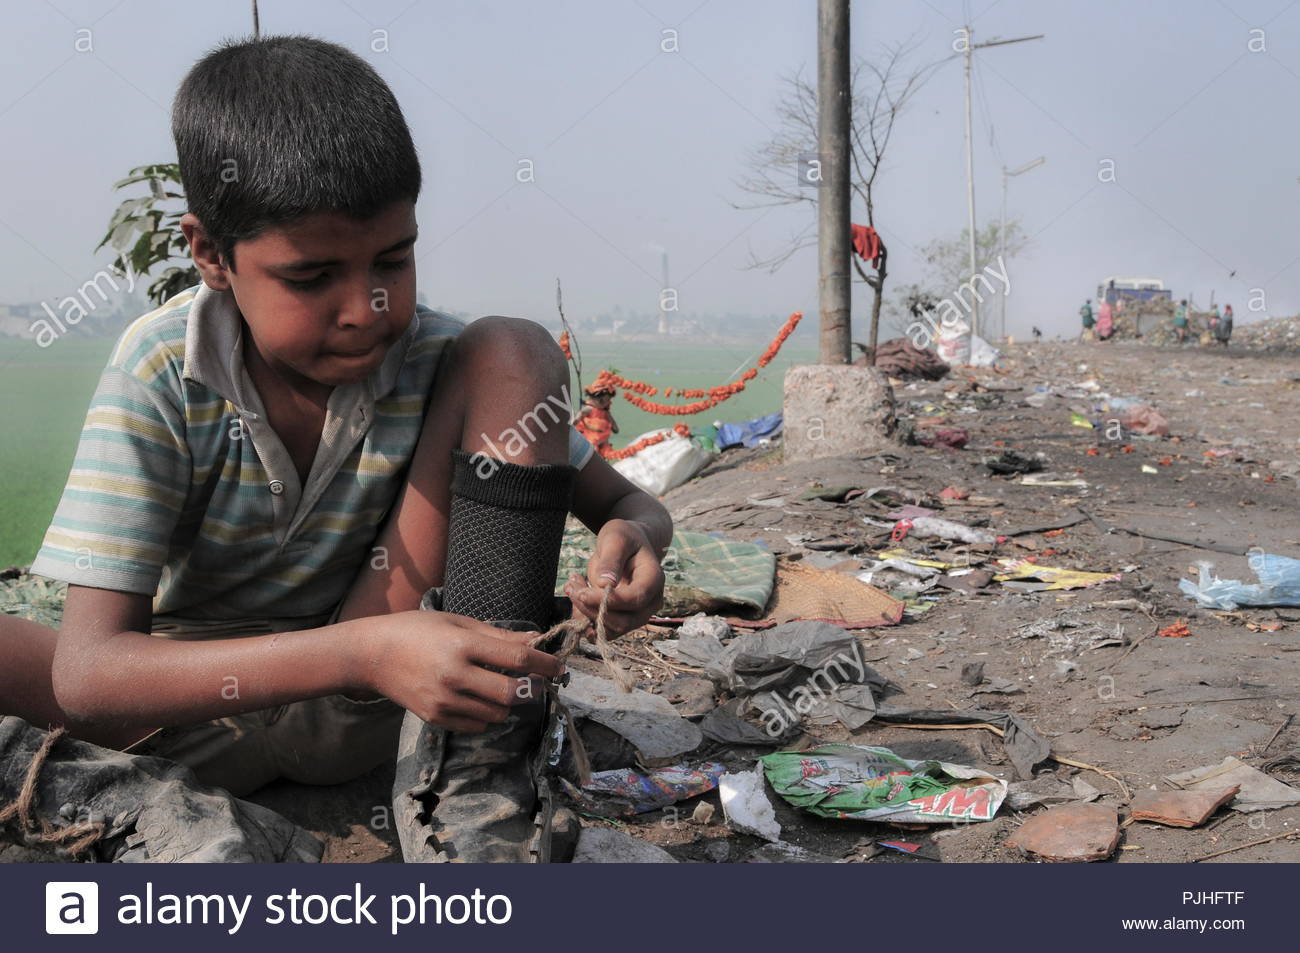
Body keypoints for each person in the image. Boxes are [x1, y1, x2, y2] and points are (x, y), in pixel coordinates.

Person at [0, 36, 671, 864]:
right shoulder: (165, 368)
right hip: (186, 708)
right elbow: (91, 676)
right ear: (210, 253)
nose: (366, 305)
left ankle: (476, 796)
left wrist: (636, 538)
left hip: (396, 701)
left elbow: (633, 504)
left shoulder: (435, 359)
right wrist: (356, 650)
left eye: (393, 258)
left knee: (516, 350)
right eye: (313, 277)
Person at [574, 377, 620, 457]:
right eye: (601, 400)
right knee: (593, 449)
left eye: (607, 400)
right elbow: (579, 417)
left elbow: (615, 428)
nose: (604, 402)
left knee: (604, 450)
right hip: (590, 437)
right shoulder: (589, 409)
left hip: (602, 438)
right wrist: (574, 422)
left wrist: (613, 425)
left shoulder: (605, 413)